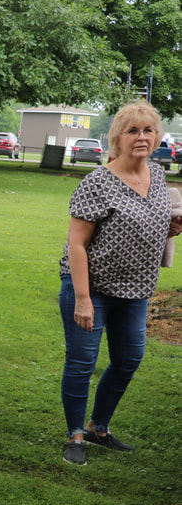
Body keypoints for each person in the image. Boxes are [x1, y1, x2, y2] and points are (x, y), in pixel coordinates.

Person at [58, 100, 182, 465]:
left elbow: (149, 224)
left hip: (136, 289)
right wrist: (83, 299)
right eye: (133, 131)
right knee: (82, 362)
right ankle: (75, 435)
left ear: (157, 136)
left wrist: (172, 228)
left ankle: (98, 427)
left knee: (128, 360)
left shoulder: (156, 175)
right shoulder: (98, 182)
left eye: (148, 131)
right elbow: (76, 244)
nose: (142, 137)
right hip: (91, 287)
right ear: (117, 138)